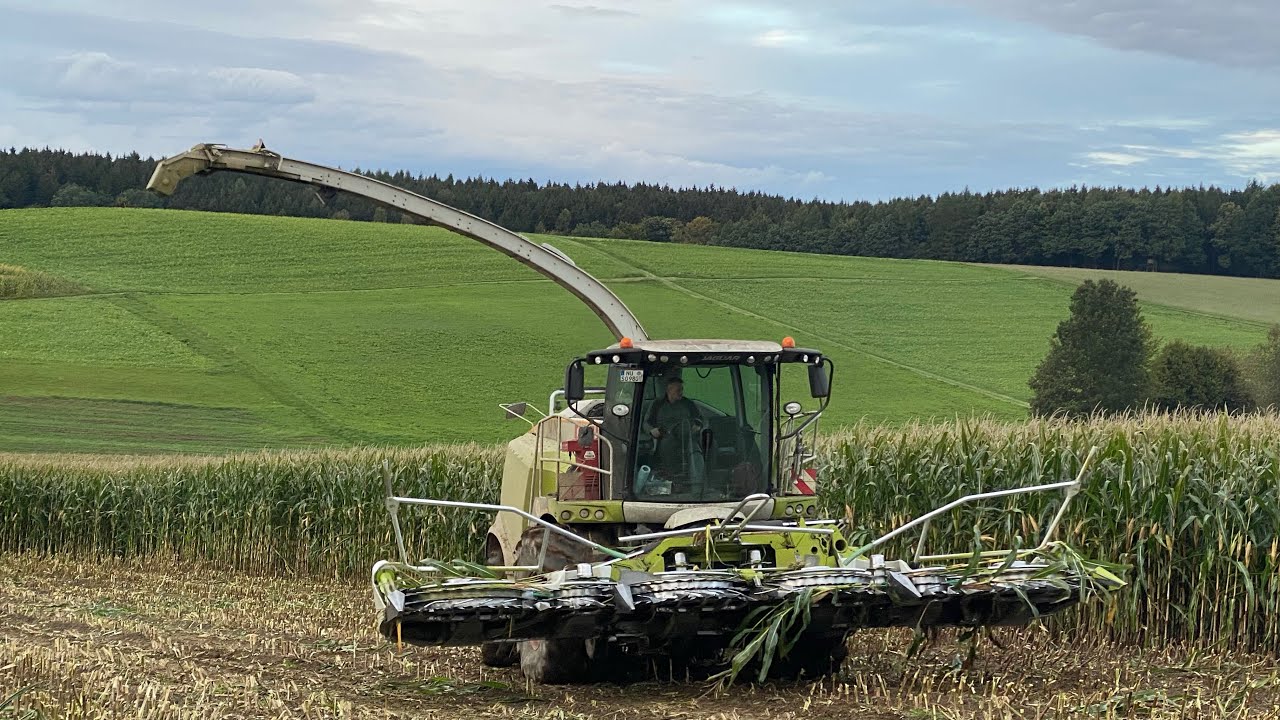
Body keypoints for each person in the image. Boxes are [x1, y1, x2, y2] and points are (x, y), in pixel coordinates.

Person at [643, 375, 704, 485]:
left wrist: (698, 426)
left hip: (688, 438)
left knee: (700, 449)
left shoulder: (689, 404)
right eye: (678, 390)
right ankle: (673, 479)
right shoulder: (657, 405)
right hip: (665, 438)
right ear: (669, 390)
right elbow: (646, 423)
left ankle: (699, 481)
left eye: (682, 389)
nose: (681, 392)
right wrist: (652, 430)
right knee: (667, 446)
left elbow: (700, 419)